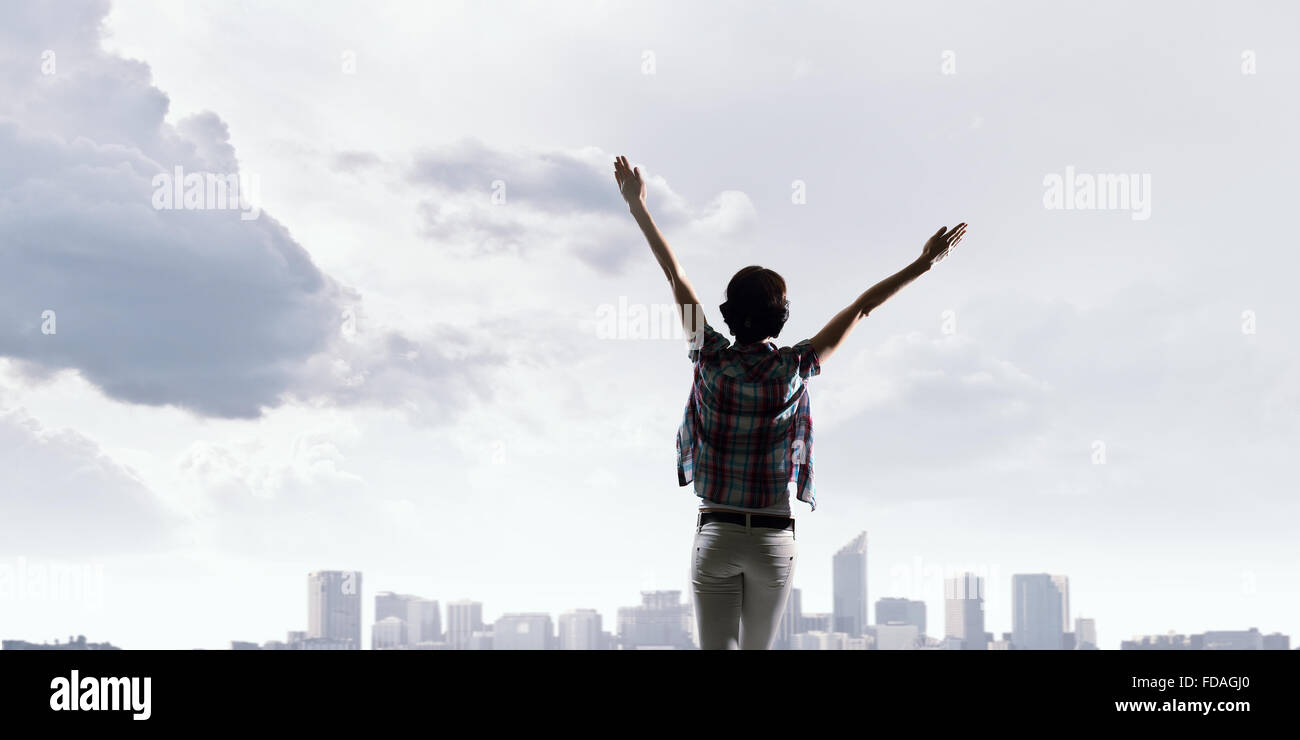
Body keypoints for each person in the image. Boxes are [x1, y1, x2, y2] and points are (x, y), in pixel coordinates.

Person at [613, 155, 966, 649]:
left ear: (730, 314)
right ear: (781, 317)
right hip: (774, 537)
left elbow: (674, 275)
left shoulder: (709, 356)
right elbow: (862, 308)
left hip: (716, 531)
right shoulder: (795, 367)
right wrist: (923, 264)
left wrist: (637, 206)